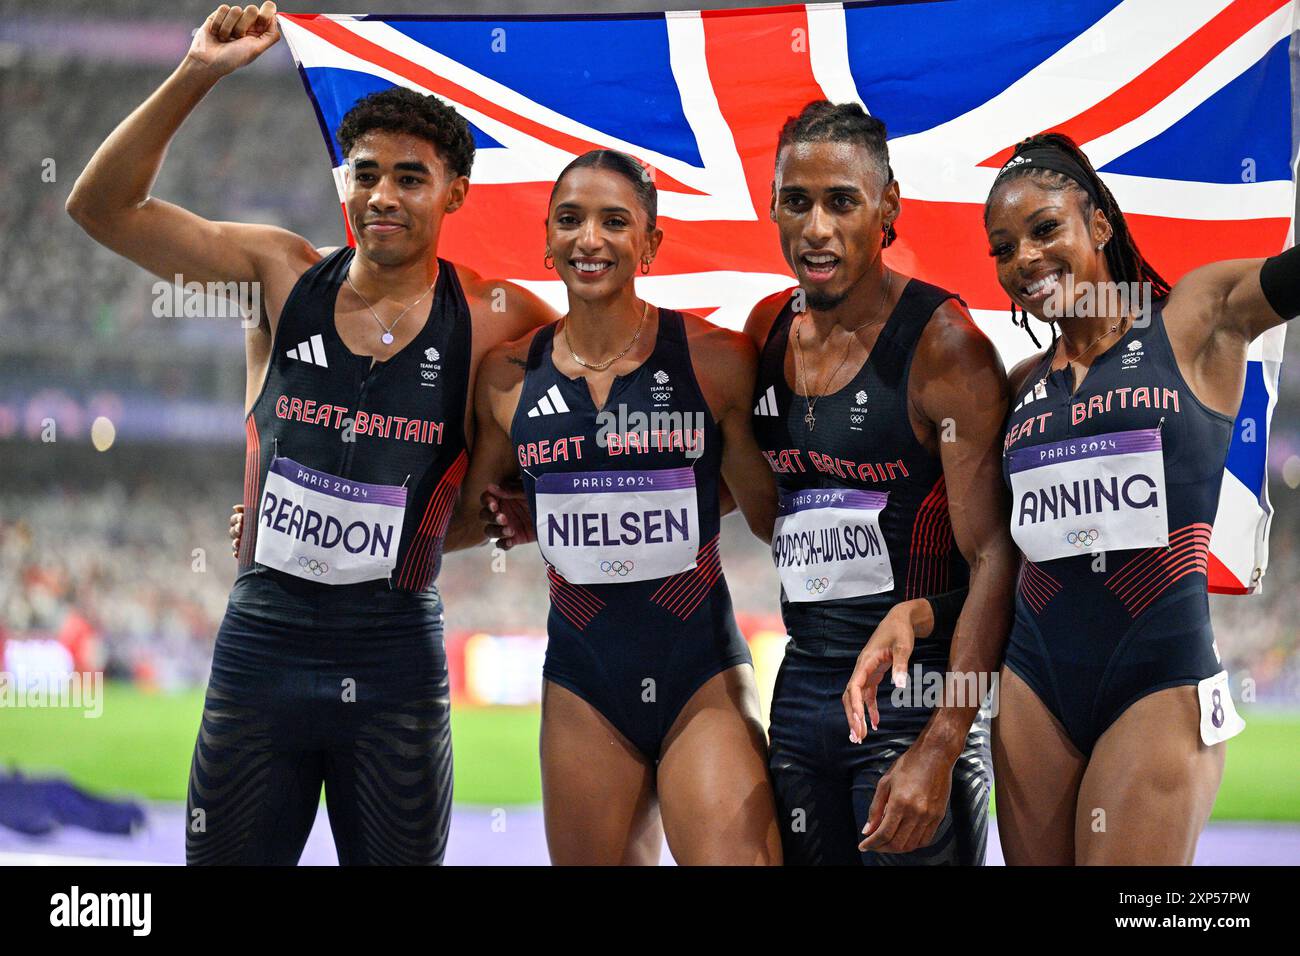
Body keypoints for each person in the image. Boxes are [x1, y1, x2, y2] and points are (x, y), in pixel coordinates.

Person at [67, 2, 554, 864]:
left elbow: (568, 418)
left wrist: (513, 512)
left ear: (455, 194)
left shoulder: (492, 317)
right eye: (366, 174)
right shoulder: (278, 275)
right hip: (264, 640)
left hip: (395, 650)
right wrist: (199, 71)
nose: (383, 197)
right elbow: (101, 207)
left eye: (411, 178)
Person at [851, 132, 1293, 864]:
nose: (1023, 257)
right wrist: (921, 610)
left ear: (1099, 225)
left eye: (1045, 228)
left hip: (1156, 681)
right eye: (1002, 247)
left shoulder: (1195, 316)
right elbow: (1011, 572)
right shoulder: (1021, 387)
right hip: (1034, 692)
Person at [466, 149, 782, 865]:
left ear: (651, 242)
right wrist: (513, 520)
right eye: (571, 221)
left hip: (699, 673)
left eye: (615, 222)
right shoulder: (507, 380)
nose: (590, 240)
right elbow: (466, 516)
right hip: (584, 683)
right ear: (546, 239)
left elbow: (768, 511)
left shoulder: (716, 360)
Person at [746, 101, 1017, 865]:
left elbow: (999, 564)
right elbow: (752, 496)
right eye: (796, 203)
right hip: (801, 694)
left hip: (916, 702)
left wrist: (941, 745)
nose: (817, 229)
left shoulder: (946, 349)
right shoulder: (768, 327)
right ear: (772, 206)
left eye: (842, 202)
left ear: (887, 206)